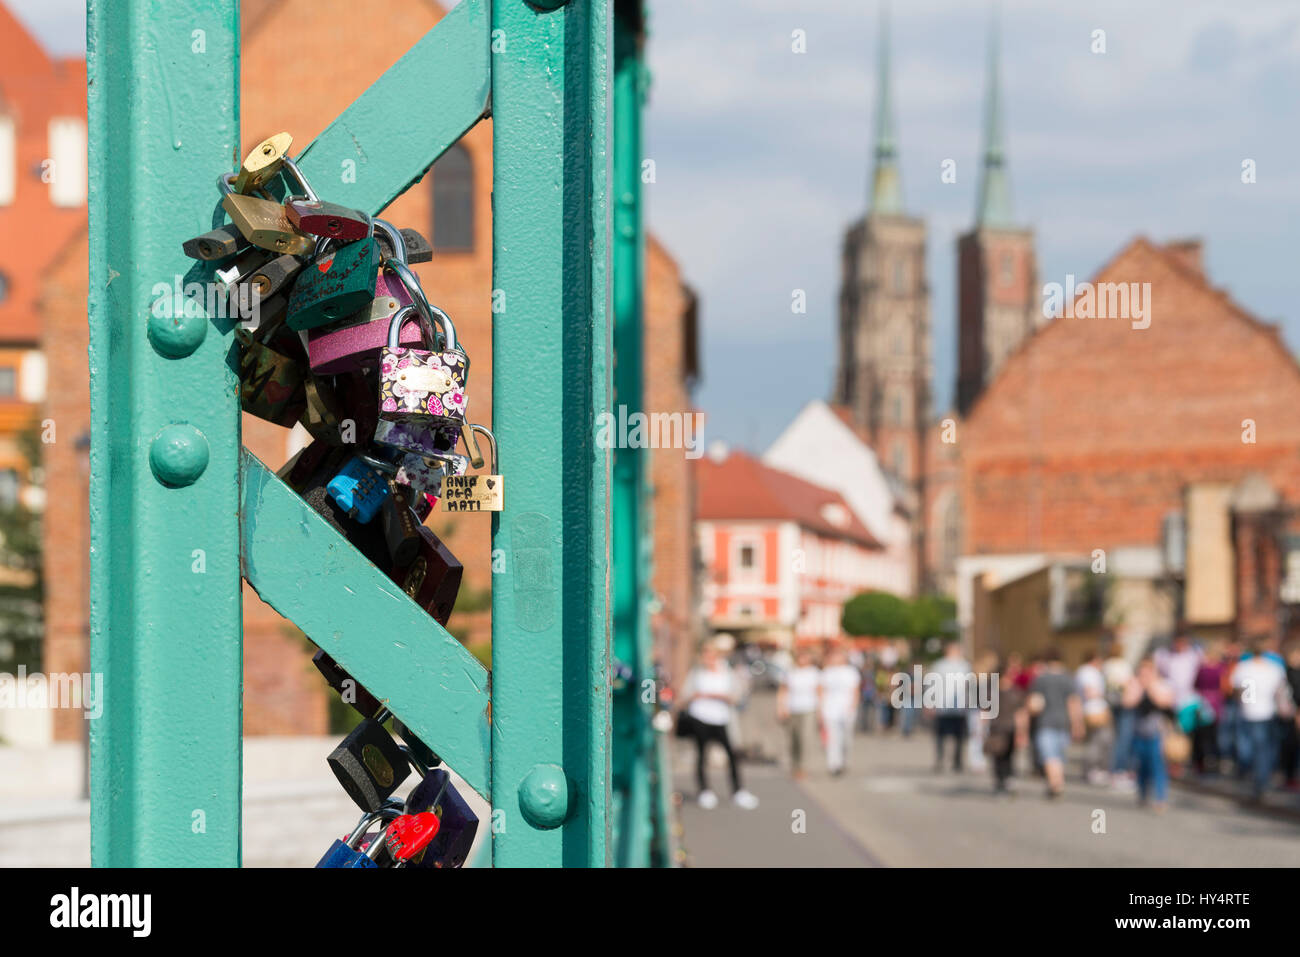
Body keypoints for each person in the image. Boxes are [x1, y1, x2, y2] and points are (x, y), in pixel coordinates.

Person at [682, 639, 759, 810]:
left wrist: (724, 697)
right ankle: (704, 791)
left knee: (731, 755)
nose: (708, 658)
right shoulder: (697, 673)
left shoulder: (727, 673)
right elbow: (685, 695)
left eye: (711, 654)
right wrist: (696, 695)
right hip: (700, 717)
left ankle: (738, 791)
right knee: (702, 754)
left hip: (722, 718)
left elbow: (738, 695)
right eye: (705, 654)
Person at [1231, 636, 1292, 802]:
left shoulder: (1245, 668)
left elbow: (1239, 690)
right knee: (1263, 749)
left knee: (1257, 749)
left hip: (1253, 712)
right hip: (1266, 712)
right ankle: (1261, 779)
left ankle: (1260, 781)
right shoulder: (1273, 668)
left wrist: (1248, 704)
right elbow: (1281, 691)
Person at [1027, 646, 1083, 799]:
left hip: (1045, 722)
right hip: (1064, 723)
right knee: (1058, 755)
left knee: (1049, 755)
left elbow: (1034, 703)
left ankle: (1055, 784)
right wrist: (1077, 724)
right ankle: (1058, 781)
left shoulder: (1040, 679)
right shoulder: (1068, 678)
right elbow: (1074, 703)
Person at [1124, 655, 1175, 811]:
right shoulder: (1136, 685)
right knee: (1141, 766)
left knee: (1158, 766)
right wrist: (1137, 688)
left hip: (1157, 733)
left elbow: (1165, 702)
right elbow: (1127, 703)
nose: (1144, 676)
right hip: (1138, 732)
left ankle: (1160, 798)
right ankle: (1142, 795)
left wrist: (1151, 686)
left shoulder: (1162, 685)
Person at [776, 646, 821, 780]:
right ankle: (794, 765)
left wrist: (820, 711)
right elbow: (783, 691)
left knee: (805, 739)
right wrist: (780, 707)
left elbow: (819, 692)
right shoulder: (790, 672)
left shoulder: (814, 673)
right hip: (792, 709)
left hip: (808, 708)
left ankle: (802, 767)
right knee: (793, 739)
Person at [984, 663, 1028, 795]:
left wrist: (1022, 731)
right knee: (999, 755)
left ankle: (1006, 780)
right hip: (998, 728)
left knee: (1007, 755)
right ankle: (1001, 780)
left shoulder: (1015, 692)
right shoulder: (993, 692)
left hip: (1008, 728)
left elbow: (1021, 713)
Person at [929, 640, 972, 773]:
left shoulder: (965, 666)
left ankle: (957, 761)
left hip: (959, 707)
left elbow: (969, 686)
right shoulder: (939, 665)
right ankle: (940, 760)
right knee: (940, 736)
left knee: (959, 736)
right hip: (942, 706)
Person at [819, 646, 861, 776]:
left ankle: (843, 761)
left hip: (847, 710)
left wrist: (853, 706)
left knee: (845, 739)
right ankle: (834, 764)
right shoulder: (826, 672)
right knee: (833, 738)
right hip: (830, 710)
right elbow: (821, 691)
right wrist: (820, 708)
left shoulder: (851, 672)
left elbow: (855, 691)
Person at [1076, 648, 1113, 786]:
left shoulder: (1084, 671)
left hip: (1094, 710)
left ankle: (1092, 769)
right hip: (1094, 711)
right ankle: (1092, 769)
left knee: (1096, 741)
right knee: (1098, 742)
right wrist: (1107, 694)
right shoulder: (1088, 672)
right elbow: (1089, 692)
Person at [1191, 643, 1228, 775]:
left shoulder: (1203, 668)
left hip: (1204, 703)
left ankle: (1201, 763)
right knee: (1213, 735)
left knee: (1202, 735)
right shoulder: (1221, 668)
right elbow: (1225, 687)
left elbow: (1195, 684)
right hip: (1215, 703)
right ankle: (1214, 761)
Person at [1103, 643, 1136, 790]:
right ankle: (1119, 770)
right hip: (1124, 703)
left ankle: (1114, 770)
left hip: (1112, 703)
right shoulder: (1123, 665)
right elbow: (1127, 682)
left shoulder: (1106, 665)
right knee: (1124, 738)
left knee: (1116, 737)